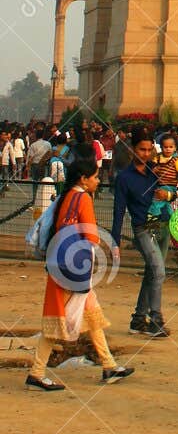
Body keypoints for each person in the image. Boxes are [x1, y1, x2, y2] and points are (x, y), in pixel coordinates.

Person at [26, 156, 134, 391]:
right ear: (84, 180)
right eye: (95, 177)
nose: (98, 181)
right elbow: (92, 236)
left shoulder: (66, 197)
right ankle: (36, 372)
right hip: (74, 269)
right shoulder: (83, 198)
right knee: (57, 322)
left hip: (61, 264)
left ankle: (109, 365)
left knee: (91, 314)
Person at [111, 127, 170, 338]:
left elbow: (170, 193)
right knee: (159, 271)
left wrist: (167, 196)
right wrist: (114, 241)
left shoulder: (155, 171)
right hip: (142, 229)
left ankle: (138, 319)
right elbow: (118, 211)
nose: (145, 154)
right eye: (141, 149)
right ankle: (156, 319)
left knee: (152, 273)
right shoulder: (124, 178)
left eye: (148, 149)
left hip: (161, 226)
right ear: (132, 150)